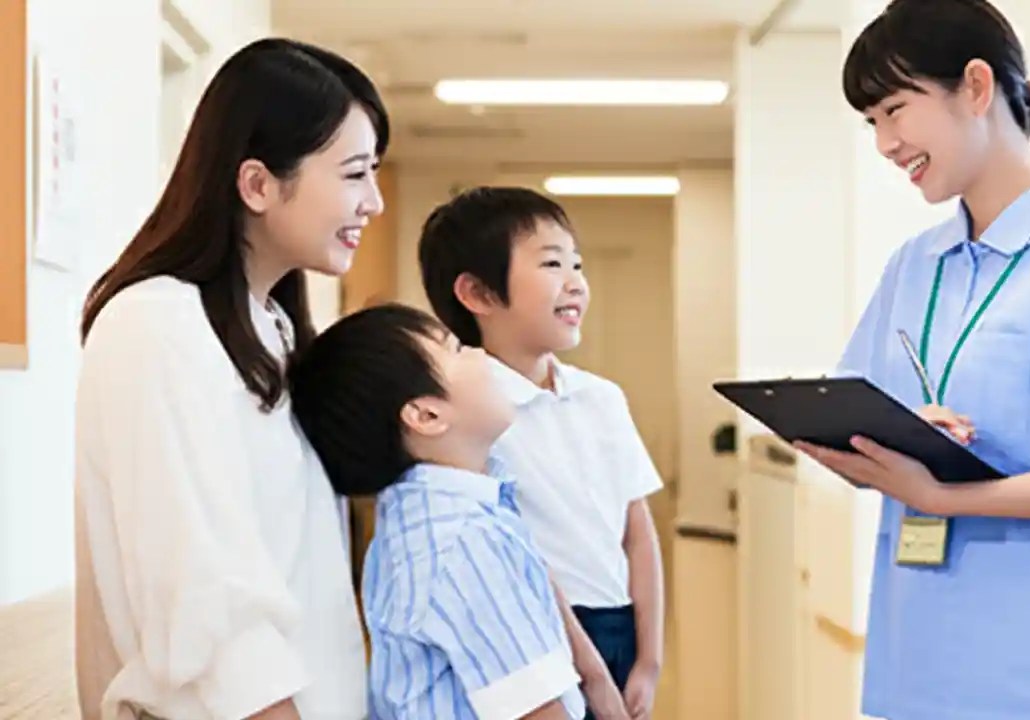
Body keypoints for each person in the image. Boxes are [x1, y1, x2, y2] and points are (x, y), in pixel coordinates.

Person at [798, 2, 1030, 719]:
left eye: (895, 110)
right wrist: (903, 429)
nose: (884, 142)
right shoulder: (915, 265)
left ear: (974, 86)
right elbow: (845, 414)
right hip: (918, 664)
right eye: (871, 121)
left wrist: (943, 496)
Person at [74, 38, 388, 720]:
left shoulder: (269, 327)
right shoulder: (155, 323)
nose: (376, 202)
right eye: (355, 174)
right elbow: (205, 599)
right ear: (257, 184)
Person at [419, 188, 665, 720]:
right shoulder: (471, 414)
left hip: (616, 622)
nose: (576, 280)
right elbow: (516, 560)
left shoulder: (602, 398)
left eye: (577, 263)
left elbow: (637, 531)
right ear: (479, 294)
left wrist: (649, 658)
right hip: (536, 632)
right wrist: (592, 674)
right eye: (552, 263)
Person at [288, 304, 586, 720]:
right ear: (426, 415)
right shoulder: (464, 539)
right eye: (458, 349)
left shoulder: (418, 526)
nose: (481, 354)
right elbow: (536, 711)